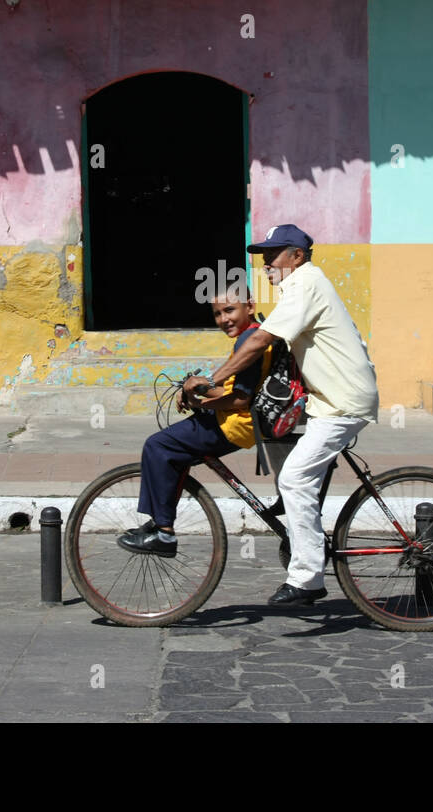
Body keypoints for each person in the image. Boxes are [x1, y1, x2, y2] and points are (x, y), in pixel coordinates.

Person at [191, 224, 379, 607]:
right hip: (324, 401)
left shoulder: (306, 284)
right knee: (277, 434)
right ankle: (296, 516)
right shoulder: (300, 286)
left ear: (297, 255)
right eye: (262, 258)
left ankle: (307, 579)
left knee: (294, 478)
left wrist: (211, 379)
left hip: (343, 402)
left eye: (272, 256)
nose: (266, 265)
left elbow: (261, 340)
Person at [117, 284, 271, 557]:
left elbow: (240, 399)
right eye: (217, 314)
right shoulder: (254, 334)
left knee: (158, 446)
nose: (224, 319)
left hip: (234, 425)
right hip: (238, 421)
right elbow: (233, 389)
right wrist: (198, 391)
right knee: (175, 452)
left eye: (230, 310)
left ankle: (163, 531)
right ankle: (160, 522)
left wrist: (202, 402)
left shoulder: (249, 342)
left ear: (250, 305)